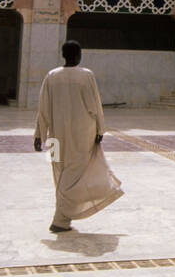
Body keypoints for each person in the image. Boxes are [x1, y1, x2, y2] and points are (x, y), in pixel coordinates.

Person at [33, 40, 123, 232]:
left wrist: (39, 134)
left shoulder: (52, 76)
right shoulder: (86, 76)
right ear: (78, 55)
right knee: (73, 174)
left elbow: (43, 109)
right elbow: (95, 106)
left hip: (55, 138)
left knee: (59, 172)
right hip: (82, 135)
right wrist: (100, 130)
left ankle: (63, 218)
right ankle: (60, 219)